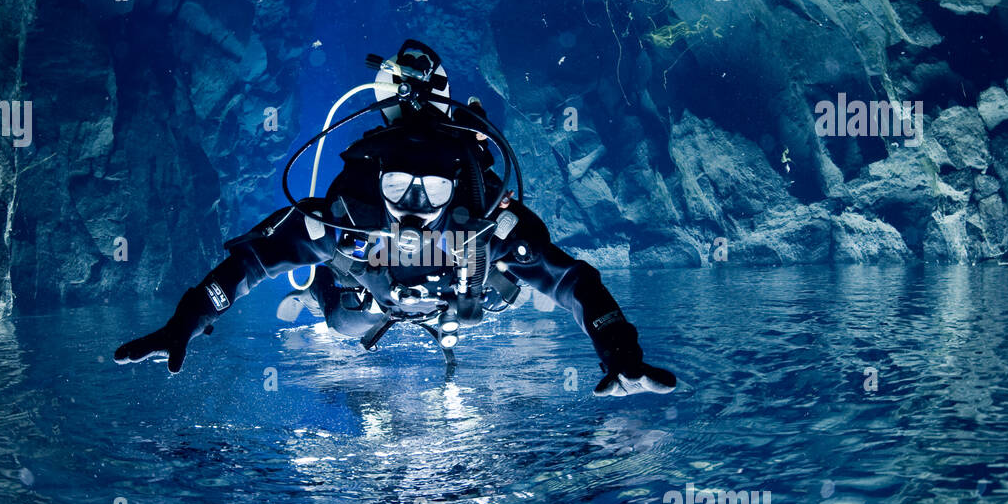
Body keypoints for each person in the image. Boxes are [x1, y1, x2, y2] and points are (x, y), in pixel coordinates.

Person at [114, 40, 676, 396]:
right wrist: (186, 319)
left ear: (455, 186)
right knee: (340, 315)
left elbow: (572, 283)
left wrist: (619, 353)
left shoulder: (484, 223)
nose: (412, 203)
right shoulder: (344, 218)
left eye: (432, 188)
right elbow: (250, 264)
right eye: (397, 185)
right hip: (366, 306)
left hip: (458, 301)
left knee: (494, 292)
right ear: (374, 182)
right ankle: (333, 294)